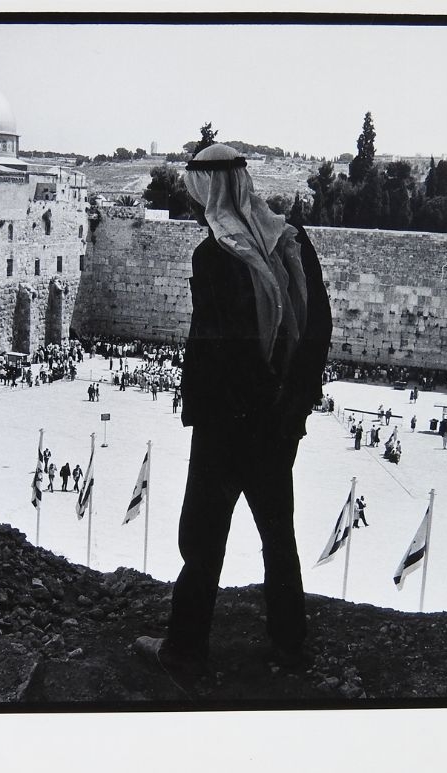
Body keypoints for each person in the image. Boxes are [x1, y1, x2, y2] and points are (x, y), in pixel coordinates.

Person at [134, 144, 332, 675]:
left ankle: (184, 648)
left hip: (229, 425)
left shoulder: (215, 254)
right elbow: (319, 328)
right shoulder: (293, 241)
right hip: (280, 420)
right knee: (277, 533)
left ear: (208, 188)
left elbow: (221, 349)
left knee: (201, 540)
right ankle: (290, 644)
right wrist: (293, 403)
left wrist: (209, 408)